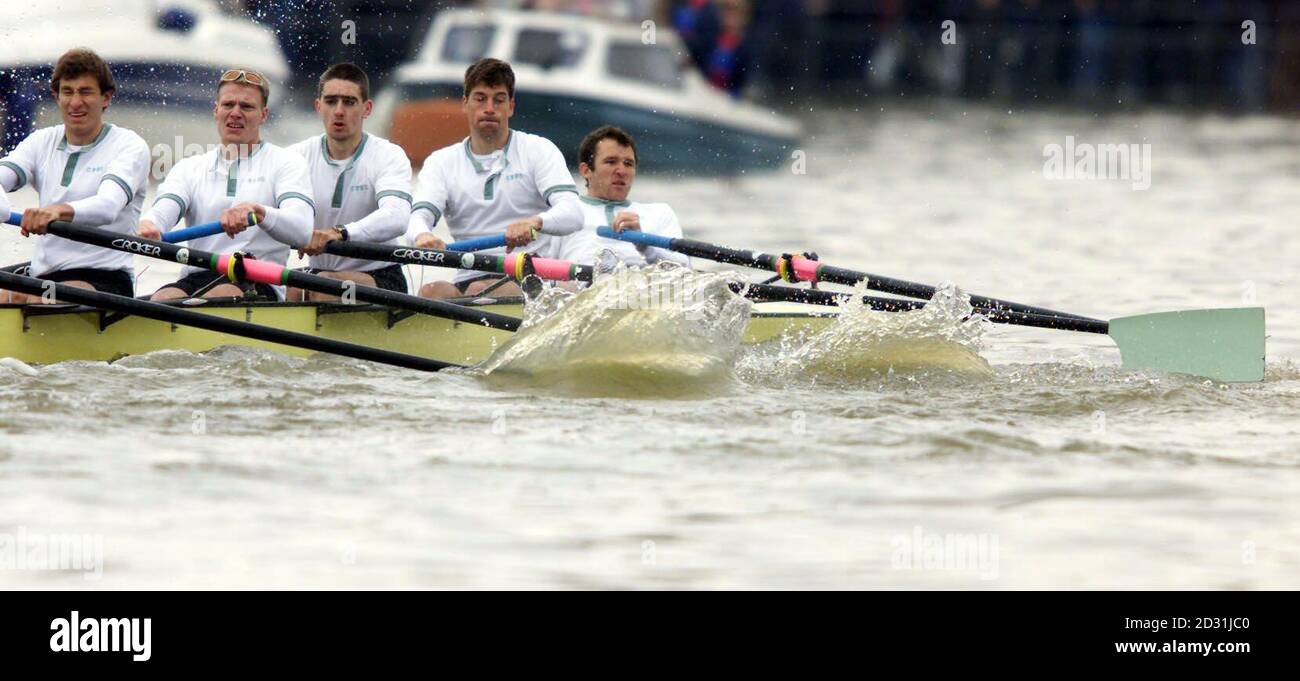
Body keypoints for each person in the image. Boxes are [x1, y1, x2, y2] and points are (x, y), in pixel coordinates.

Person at [406, 58, 583, 299]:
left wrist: (536, 222)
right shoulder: (442, 162)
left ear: (510, 107)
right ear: (465, 104)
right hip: (468, 276)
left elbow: (573, 213)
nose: (489, 108)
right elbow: (418, 217)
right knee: (431, 292)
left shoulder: (538, 150)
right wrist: (422, 235)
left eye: (498, 100)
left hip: (528, 274)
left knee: (481, 290)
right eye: (480, 99)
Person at [137, 68, 313, 301]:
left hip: (257, 279)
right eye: (228, 105)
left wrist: (260, 213)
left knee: (221, 294)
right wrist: (148, 225)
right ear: (216, 110)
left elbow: (302, 231)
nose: (235, 113)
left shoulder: (286, 163)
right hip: (199, 274)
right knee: (163, 298)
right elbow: (161, 214)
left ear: (264, 114)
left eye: (247, 107)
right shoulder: (190, 167)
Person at [0, 48, 150, 303]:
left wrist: (56, 211)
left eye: (85, 92)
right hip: (46, 274)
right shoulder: (41, 141)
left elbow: (108, 206)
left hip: (105, 277)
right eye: (67, 92)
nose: (75, 102)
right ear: (56, 97)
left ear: (106, 98)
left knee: (32, 299)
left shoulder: (129, 146)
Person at [284, 63, 413, 301]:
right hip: (320, 273)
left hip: (380, 276)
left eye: (349, 102)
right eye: (331, 101)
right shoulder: (295, 157)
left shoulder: (388, 155)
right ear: (318, 106)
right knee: (285, 289)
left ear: (367, 108)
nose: (339, 111)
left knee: (325, 288)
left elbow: (397, 217)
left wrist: (341, 233)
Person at [554, 126, 689, 269]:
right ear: (586, 170)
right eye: (611, 162)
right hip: (579, 287)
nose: (622, 171)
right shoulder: (559, 214)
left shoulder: (660, 213)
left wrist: (645, 246)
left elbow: (684, 272)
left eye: (628, 164)